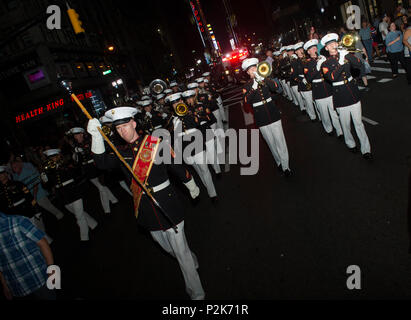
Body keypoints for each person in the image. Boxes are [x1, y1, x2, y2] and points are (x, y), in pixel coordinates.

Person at [87, 106, 205, 300]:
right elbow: (101, 164)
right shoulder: (120, 153)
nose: (122, 131)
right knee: (171, 249)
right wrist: (96, 136)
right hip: (146, 211)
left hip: (167, 205)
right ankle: (191, 260)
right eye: (118, 129)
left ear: (134, 123)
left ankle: (197, 293)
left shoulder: (155, 143)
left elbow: (175, 165)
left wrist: (190, 183)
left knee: (180, 252)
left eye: (125, 126)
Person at [319, 33, 372, 160]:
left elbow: (359, 64)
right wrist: (342, 62)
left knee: (359, 124)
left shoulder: (345, 55)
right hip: (340, 96)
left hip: (352, 93)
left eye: (335, 43)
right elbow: (332, 77)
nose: (333, 45)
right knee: (346, 124)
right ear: (326, 48)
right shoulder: (325, 63)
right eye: (330, 44)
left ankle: (366, 150)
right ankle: (350, 143)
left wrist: (347, 55)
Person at [242, 57, 292, 176]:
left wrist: (263, 79)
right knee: (270, 142)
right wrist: (254, 86)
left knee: (280, 140)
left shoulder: (265, 78)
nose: (254, 70)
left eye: (255, 67)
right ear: (248, 72)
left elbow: (276, 87)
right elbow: (246, 101)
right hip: (261, 117)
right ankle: (279, 162)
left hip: (272, 112)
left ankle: (286, 166)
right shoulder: (247, 86)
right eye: (251, 69)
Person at [41, 149, 98, 242]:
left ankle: (84, 238)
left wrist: (63, 166)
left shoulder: (66, 164)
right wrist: (44, 179)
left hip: (73, 191)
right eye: (50, 158)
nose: (53, 159)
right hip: (62, 194)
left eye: (54, 156)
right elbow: (47, 186)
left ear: (59, 156)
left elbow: (77, 173)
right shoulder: (49, 170)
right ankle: (94, 224)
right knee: (78, 213)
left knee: (79, 216)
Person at [0, 211, 56, 300]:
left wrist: (52, 270)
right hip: (17, 287)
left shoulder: (17, 221)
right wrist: (4, 285)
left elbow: (43, 243)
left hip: (39, 279)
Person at [67, 127, 118, 214]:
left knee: (101, 187)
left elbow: (97, 151)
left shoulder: (90, 141)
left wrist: (85, 149)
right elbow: (76, 162)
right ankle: (114, 200)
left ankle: (107, 209)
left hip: (96, 166)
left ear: (82, 134)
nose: (76, 137)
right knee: (101, 187)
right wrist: (75, 153)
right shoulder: (75, 147)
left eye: (77, 135)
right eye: (74, 136)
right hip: (87, 169)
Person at [0, 165, 52, 244]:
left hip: (26, 212)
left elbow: (29, 197)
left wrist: (36, 210)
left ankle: (49, 245)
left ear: (6, 174)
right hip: (13, 216)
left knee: (37, 232)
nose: (0, 176)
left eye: (1, 173)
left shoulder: (18, 184)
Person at [303, 39, 343, 138]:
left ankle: (340, 131)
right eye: (312, 48)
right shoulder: (307, 63)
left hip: (328, 88)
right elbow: (308, 78)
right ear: (308, 52)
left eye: (315, 47)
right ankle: (328, 129)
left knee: (334, 112)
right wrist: (317, 67)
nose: (315, 49)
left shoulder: (323, 58)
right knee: (324, 114)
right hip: (319, 91)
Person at [10, 155, 65, 221]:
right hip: (28, 196)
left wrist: (34, 196)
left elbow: (36, 183)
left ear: (20, 165)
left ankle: (60, 216)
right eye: (13, 167)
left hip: (38, 192)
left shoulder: (28, 171)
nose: (14, 168)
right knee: (36, 212)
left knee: (47, 205)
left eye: (15, 166)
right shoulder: (15, 176)